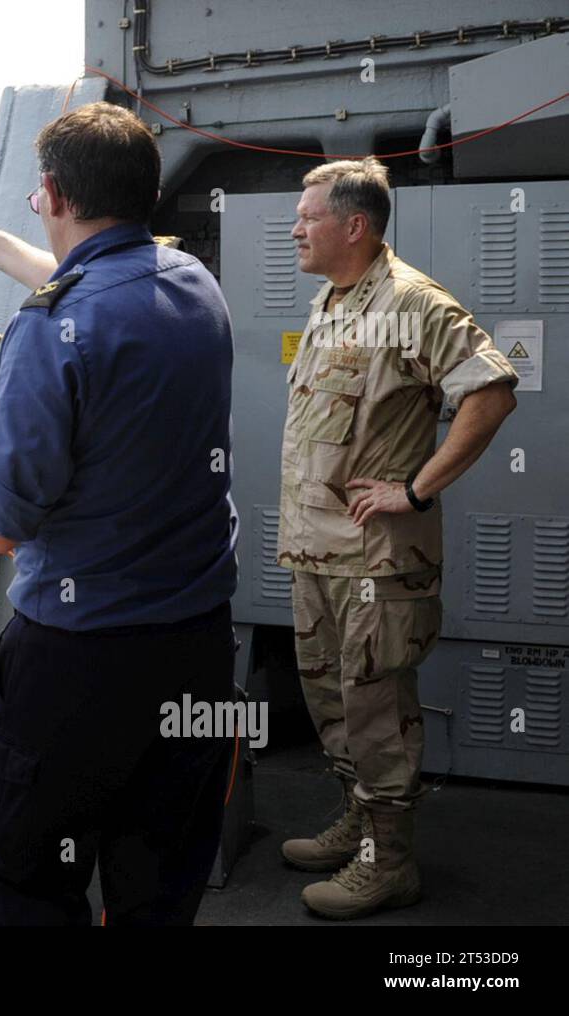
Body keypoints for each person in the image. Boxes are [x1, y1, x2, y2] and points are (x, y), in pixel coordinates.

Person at [0, 101, 239, 925]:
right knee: (160, 884)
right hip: (196, 648)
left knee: (35, 881)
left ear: (54, 193)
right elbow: (105, 281)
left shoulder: (49, 327)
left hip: (79, 664)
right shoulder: (194, 286)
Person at [278, 157, 518, 919]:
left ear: (355, 225)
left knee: (378, 712)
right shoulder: (332, 299)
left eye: (307, 215)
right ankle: (360, 823)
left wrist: (415, 490)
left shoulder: (413, 302)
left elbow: (491, 389)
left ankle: (391, 863)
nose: (294, 228)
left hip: (376, 565)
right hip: (316, 554)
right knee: (335, 706)